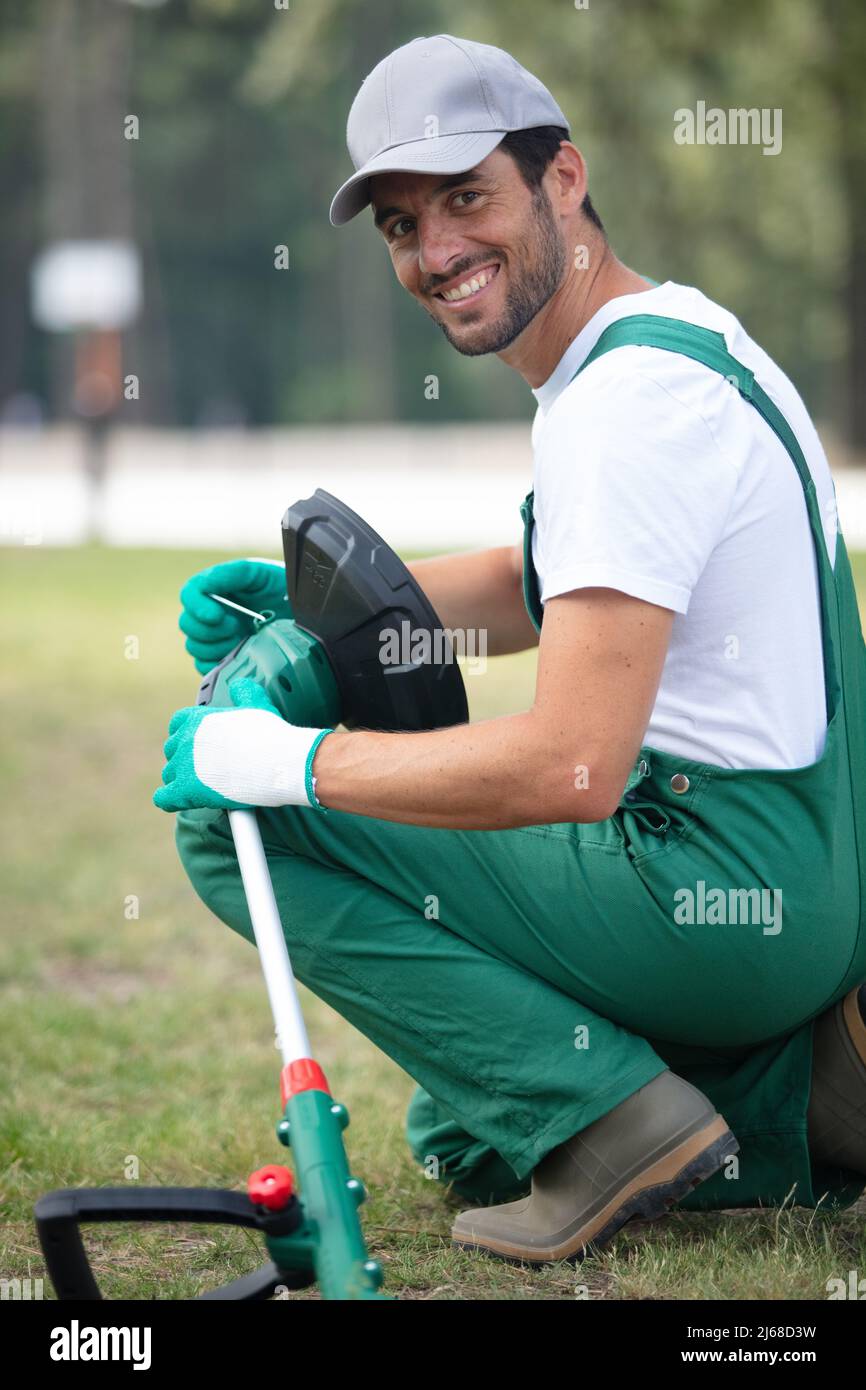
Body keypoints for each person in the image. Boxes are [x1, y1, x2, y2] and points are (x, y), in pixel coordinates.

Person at [155, 34, 866, 1266]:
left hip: (713, 888)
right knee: (464, 1130)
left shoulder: (621, 413)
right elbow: (548, 592)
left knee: (227, 826)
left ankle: (609, 1127)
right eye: (398, 225)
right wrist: (311, 604)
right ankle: (802, 1094)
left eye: (466, 197)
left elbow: (573, 768)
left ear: (564, 178)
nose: (434, 253)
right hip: (793, 876)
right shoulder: (673, 342)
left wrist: (287, 766)